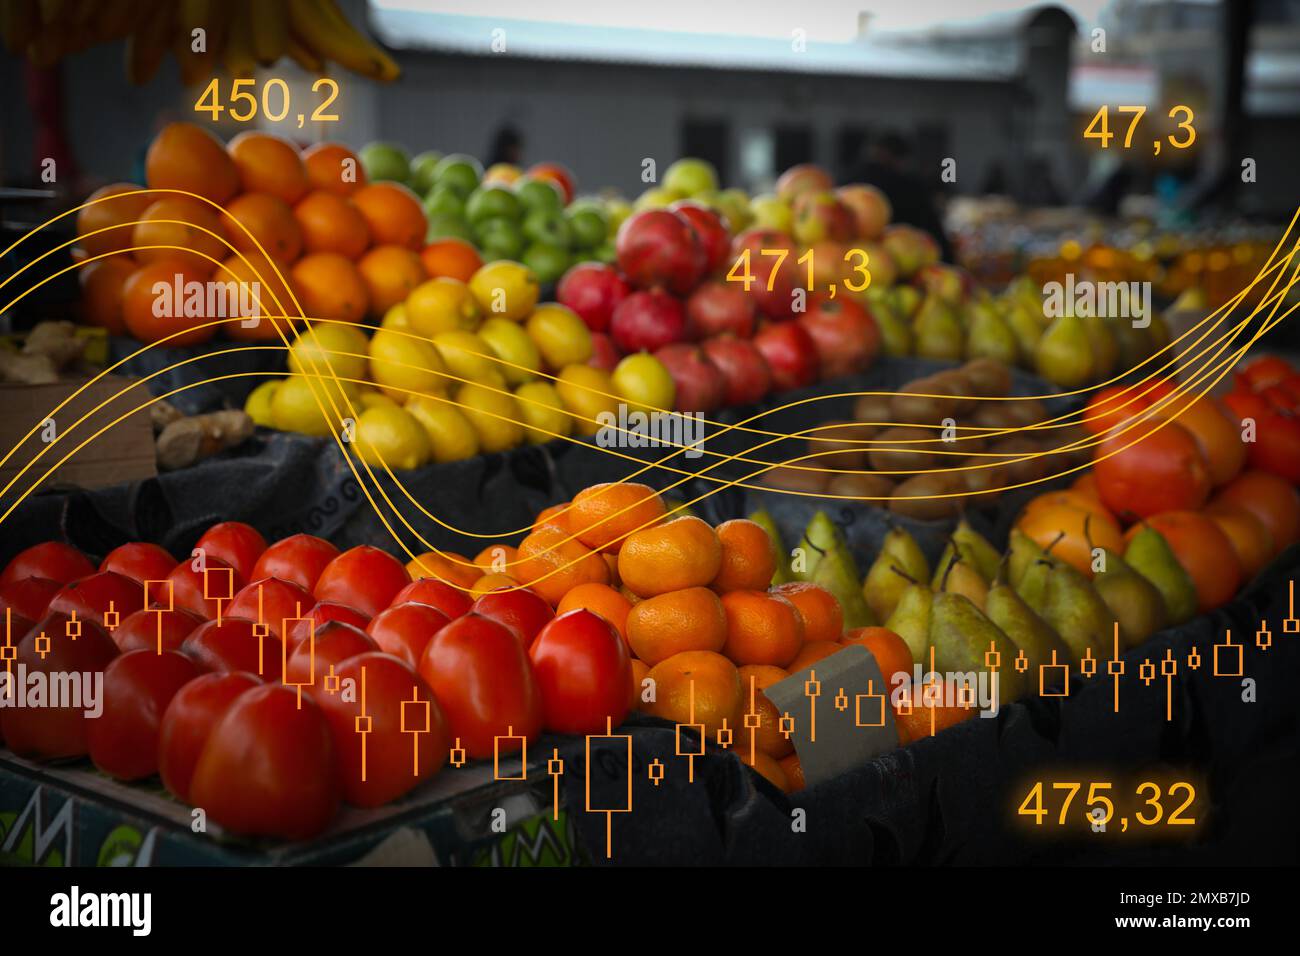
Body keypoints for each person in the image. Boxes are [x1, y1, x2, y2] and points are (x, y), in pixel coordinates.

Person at [849, 132, 952, 260]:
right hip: (899, 259)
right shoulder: (909, 187)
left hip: (851, 258)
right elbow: (933, 231)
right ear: (900, 159)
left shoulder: (848, 183)